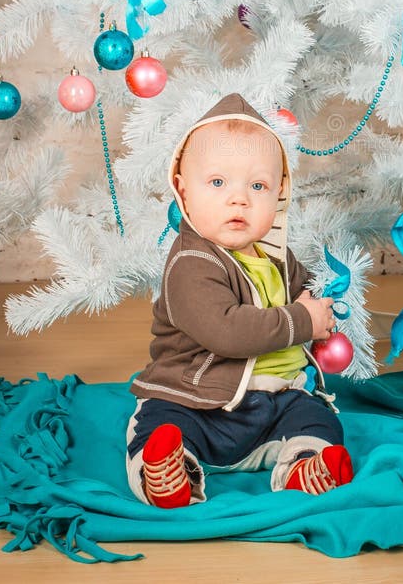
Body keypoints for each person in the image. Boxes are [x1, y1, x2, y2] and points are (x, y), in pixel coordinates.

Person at [126, 93, 354, 508]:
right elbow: (227, 332)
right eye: (218, 183)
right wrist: (304, 320)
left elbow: (307, 294)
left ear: (279, 193)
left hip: (275, 402)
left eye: (257, 185)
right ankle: (167, 472)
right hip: (196, 399)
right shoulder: (191, 263)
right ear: (183, 191)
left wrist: (324, 302)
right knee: (162, 423)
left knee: (317, 421)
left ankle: (305, 466)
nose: (239, 199)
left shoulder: (275, 255)